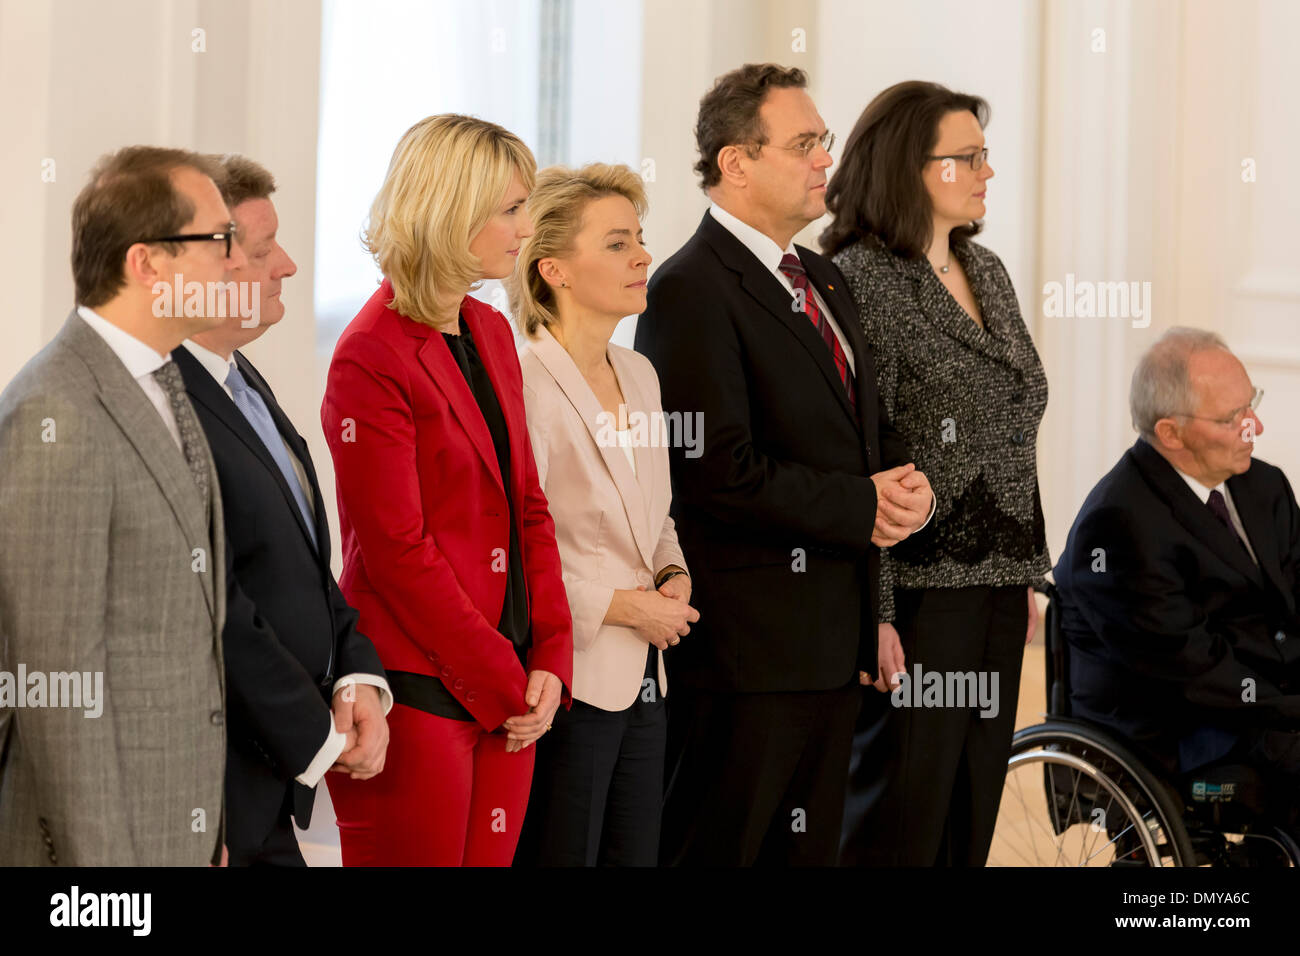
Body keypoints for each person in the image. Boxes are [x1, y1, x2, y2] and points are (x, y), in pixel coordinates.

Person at [634, 64, 935, 866]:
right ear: (737, 162)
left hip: (832, 644)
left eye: (823, 143)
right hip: (747, 654)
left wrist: (907, 490)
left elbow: (863, 431)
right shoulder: (689, 289)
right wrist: (860, 506)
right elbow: (713, 470)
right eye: (803, 144)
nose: (822, 162)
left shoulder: (821, 273)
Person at [321, 114, 574, 866]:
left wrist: (552, 659)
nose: (527, 228)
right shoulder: (371, 352)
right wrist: (506, 680)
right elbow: (398, 551)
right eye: (510, 209)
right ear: (450, 212)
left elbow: (529, 503)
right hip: (420, 685)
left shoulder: (490, 328)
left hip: (510, 682)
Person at [822, 81, 1049, 867]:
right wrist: (875, 611)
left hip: (995, 586)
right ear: (908, 167)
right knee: (901, 817)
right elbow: (861, 452)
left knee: (970, 809)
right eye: (968, 157)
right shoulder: (858, 279)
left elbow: (1015, 424)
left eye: (985, 155)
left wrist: (1025, 571)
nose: (988, 170)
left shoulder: (985, 268)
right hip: (916, 593)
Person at [0, 146, 240, 865]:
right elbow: (55, 675)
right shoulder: (58, 411)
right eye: (218, 240)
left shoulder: (161, 381)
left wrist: (204, 833)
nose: (236, 261)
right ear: (147, 264)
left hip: (174, 823)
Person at [171, 154, 391, 867]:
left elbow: (302, 559)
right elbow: (212, 601)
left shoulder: (242, 376)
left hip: (269, 779)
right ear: (203, 266)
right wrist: (316, 735)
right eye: (264, 251)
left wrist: (355, 673)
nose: (288, 266)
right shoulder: (165, 403)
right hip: (215, 783)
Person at [510, 164, 699, 866]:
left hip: (647, 675)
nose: (644, 255)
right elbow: (516, 549)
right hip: (570, 677)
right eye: (618, 243)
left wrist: (673, 570)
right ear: (552, 267)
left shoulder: (641, 373)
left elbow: (656, 513)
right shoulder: (523, 380)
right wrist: (625, 608)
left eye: (640, 238)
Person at [1055, 328, 1300, 798]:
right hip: (1185, 731)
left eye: (1253, 404)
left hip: (1258, 698)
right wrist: (1292, 706)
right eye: (1233, 417)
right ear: (1171, 432)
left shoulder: (1263, 486)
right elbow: (1195, 670)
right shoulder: (1118, 525)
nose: (1256, 428)